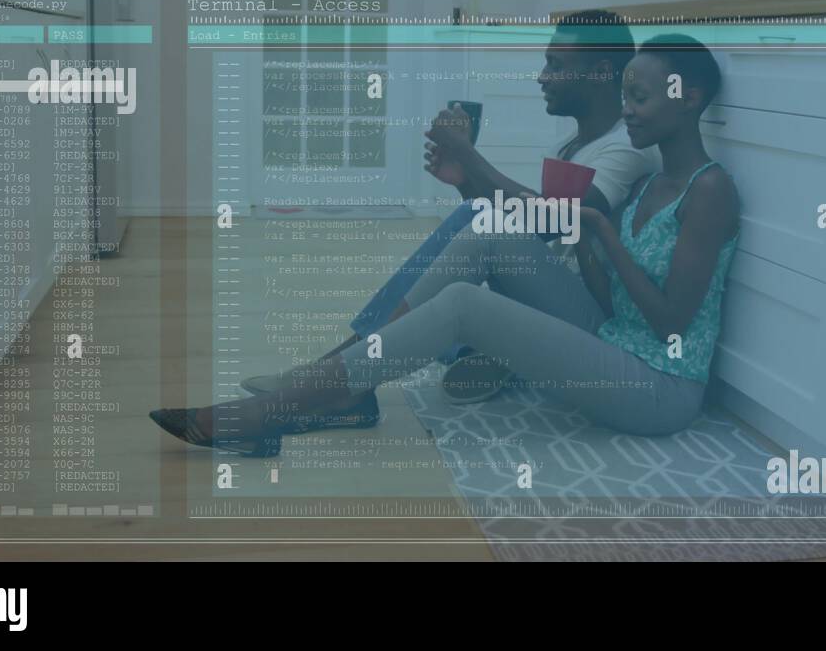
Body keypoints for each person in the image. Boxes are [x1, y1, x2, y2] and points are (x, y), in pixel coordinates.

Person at [149, 34, 739, 455]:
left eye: (641, 98)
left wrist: (599, 231)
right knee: (487, 234)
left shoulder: (708, 191)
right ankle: (338, 384)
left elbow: (668, 326)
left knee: (464, 305)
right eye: (628, 96)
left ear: (688, 99)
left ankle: (278, 410)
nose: (629, 111)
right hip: (614, 338)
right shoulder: (648, 182)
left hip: (659, 388)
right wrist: (586, 242)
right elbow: (610, 302)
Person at [235, 10, 659, 428]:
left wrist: (470, 155)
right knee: (474, 213)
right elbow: (526, 225)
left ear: (603, 72)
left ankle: (345, 374)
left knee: (471, 249)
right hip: (555, 290)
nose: (542, 77)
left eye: (555, 65)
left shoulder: (627, 148)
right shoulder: (573, 142)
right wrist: (464, 180)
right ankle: (362, 368)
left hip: (591, 321)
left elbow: (555, 223)